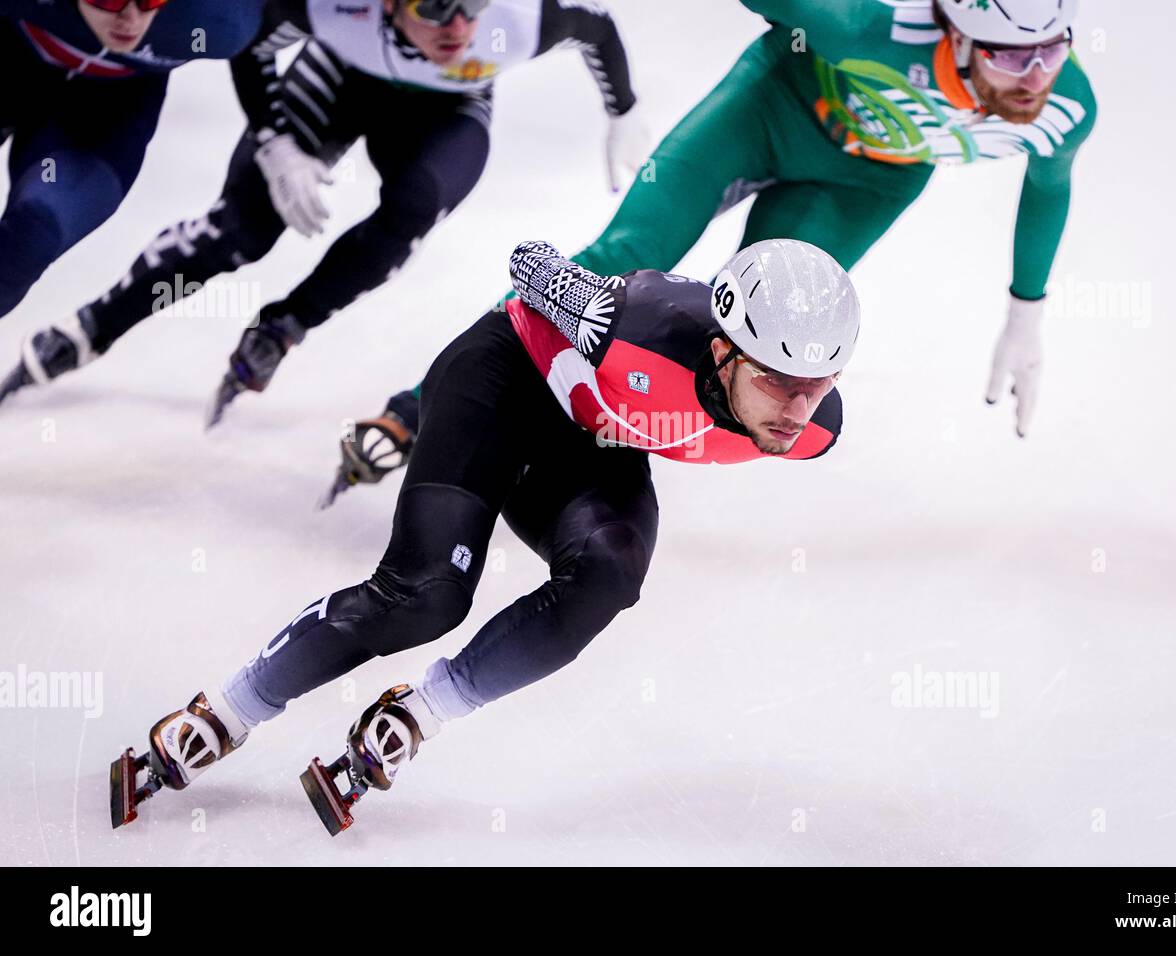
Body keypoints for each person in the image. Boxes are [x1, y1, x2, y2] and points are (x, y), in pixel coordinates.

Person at [110, 237, 859, 834]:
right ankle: (226, 712)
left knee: (612, 570)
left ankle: (422, 712)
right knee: (425, 596)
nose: (796, 410)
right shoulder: (638, 325)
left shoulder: (812, 430)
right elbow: (528, 261)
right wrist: (587, 309)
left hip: (591, 440)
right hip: (501, 382)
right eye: (777, 381)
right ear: (724, 352)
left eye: (817, 384)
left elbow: (778, 407)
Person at [329, 0, 1096, 503]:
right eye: (1008, 58)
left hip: (867, 181)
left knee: (763, 344)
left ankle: (564, 442)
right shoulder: (864, 26)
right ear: (955, 36)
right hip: (768, 107)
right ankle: (418, 408)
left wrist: (1026, 311)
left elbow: (1049, 187)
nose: (1034, 77)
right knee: (621, 255)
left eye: (1051, 50)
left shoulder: (1067, 106)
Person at [1, 0, 647, 423]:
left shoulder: (525, 17)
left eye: (471, 5)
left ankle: (286, 325)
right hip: (338, 78)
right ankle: (95, 324)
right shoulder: (332, 7)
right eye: (433, 7)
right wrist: (275, 141)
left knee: (414, 211)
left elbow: (599, 28)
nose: (457, 27)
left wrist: (624, 110)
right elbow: (250, 42)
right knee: (243, 228)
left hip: (449, 111)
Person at [0, 0, 265, 321]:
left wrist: (276, 138)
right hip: (12, 54)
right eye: (110, 0)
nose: (131, 18)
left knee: (30, 239)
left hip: (108, 108)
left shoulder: (218, 20)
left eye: (150, 0)